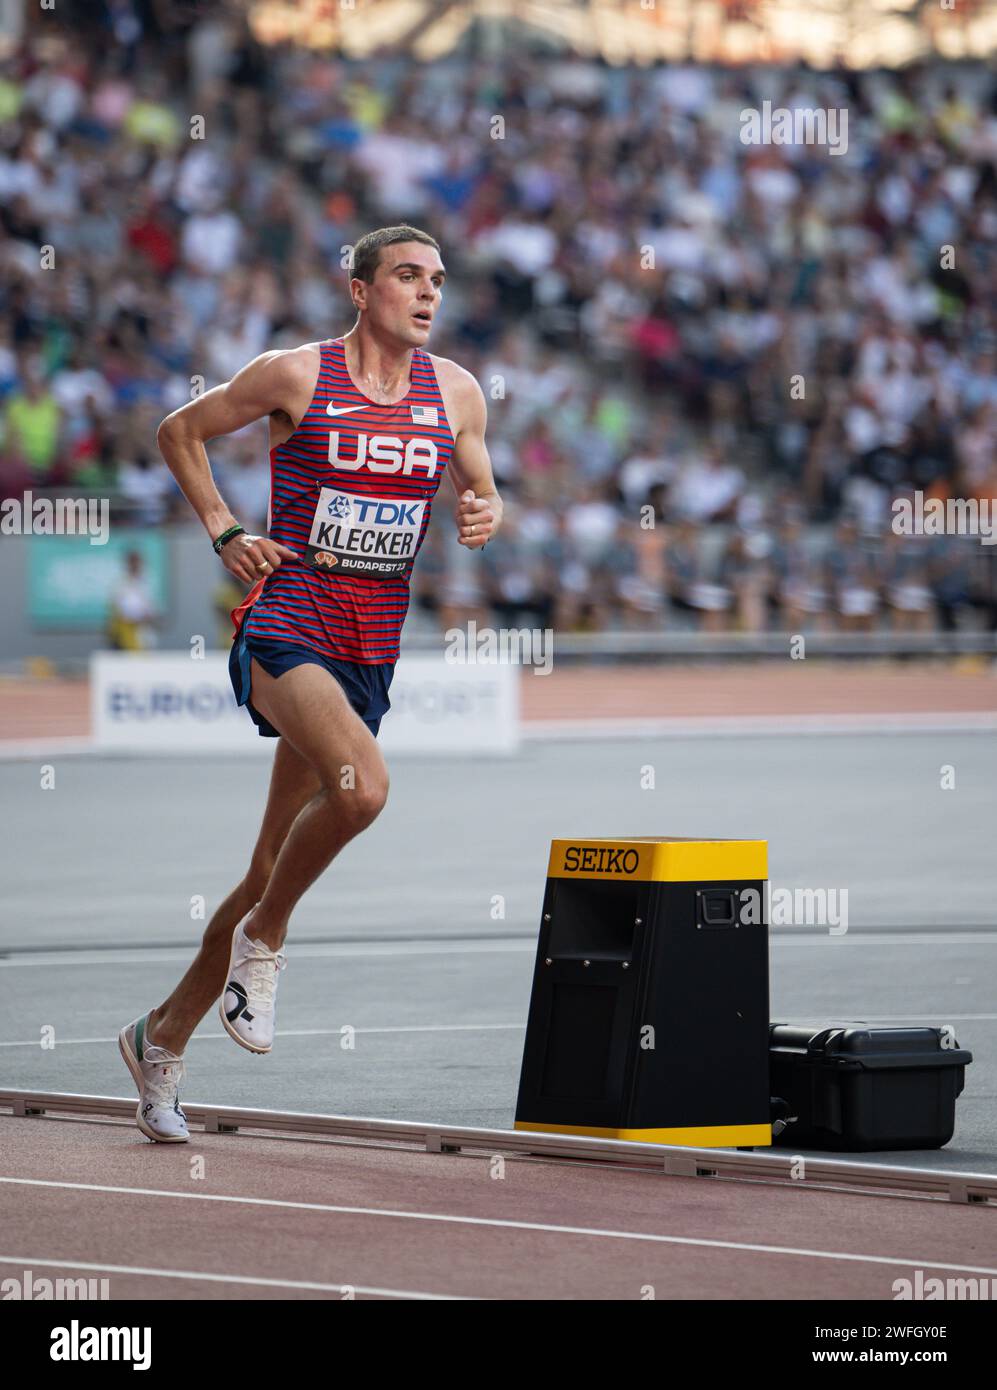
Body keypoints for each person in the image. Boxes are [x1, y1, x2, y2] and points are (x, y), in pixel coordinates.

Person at [118, 226, 503, 1142]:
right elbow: (180, 431)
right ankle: (268, 943)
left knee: (263, 869)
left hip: (371, 652)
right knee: (362, 788)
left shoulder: (456, 392)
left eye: (437, 280)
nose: (427, 293)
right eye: (408, 276)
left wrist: (485, 508)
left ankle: (158, 1037)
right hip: (285, 627)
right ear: (361, 288)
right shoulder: (295, 374)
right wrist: (222, 529)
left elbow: (479, 484)